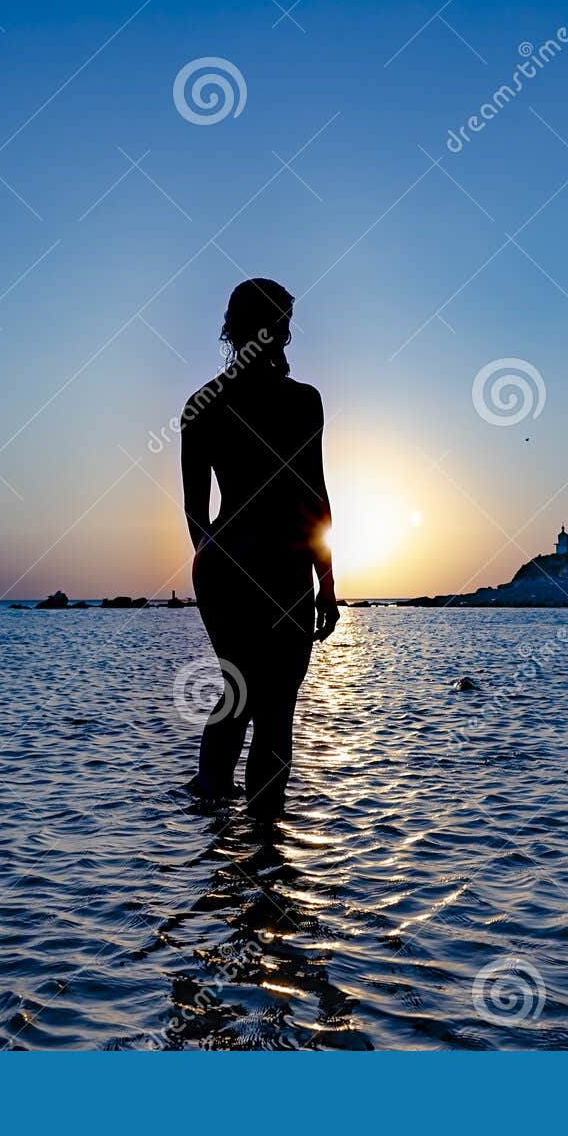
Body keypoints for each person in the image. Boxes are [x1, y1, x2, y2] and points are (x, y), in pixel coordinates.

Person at [180, 278, 339, 818]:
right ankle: (267, 853)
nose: (288, 336)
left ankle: (213, 844)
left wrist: (213, 567)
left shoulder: (201, 405)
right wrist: (328, 582)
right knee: (276, 710)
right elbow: (314, 497)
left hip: (223, 562)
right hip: (282, 560)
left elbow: (194, 514)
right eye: (285, 324)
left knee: (235, 691)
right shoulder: (303, 403)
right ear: (277, 330)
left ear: (230, 329)